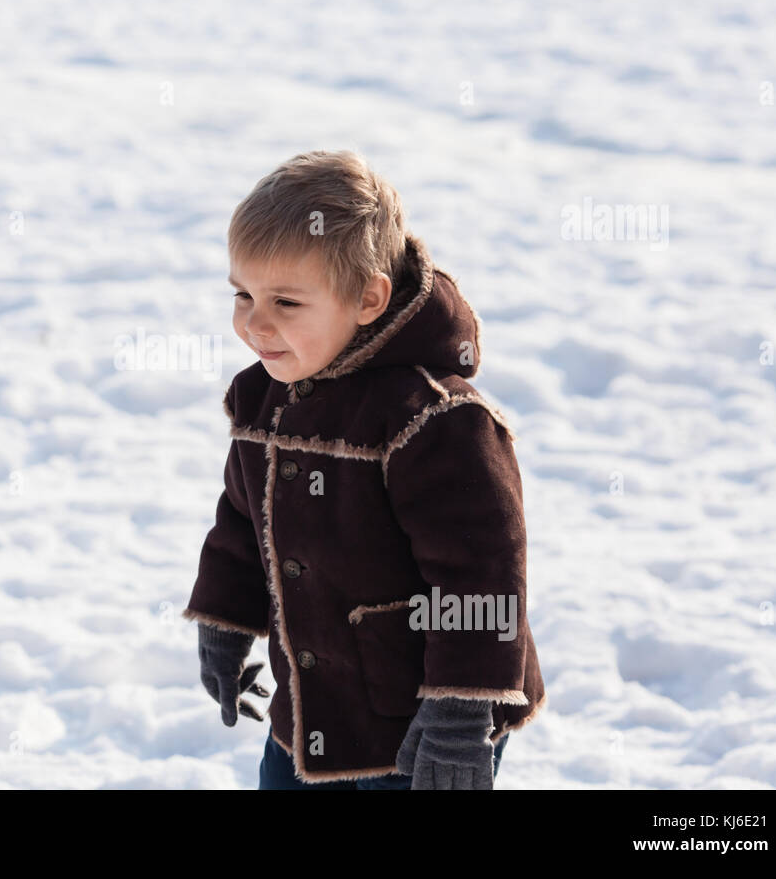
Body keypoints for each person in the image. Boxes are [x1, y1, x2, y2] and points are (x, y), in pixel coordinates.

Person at [183, 150, 547, 789]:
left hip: (419, 732)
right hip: (308, 719)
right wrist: (225, 621)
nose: (254, 323)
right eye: (243, 294)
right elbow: (243, 523)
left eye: (287, 303)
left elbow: (482, 577)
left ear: (369, 298)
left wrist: (459, 713)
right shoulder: (261, 397)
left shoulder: (435, 420)